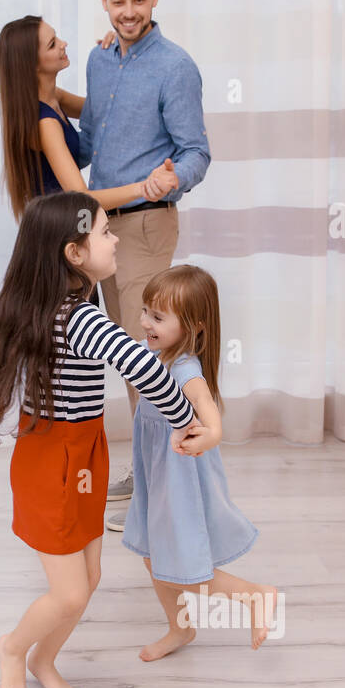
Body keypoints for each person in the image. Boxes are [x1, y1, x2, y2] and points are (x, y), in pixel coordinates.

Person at [0, 192, 212, 688]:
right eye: (106, 232)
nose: (115, 239)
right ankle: (14, 649)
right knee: (71, 593)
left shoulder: (65, 307)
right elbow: (145, 368)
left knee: (89, 578)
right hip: (56, 461)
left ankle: (44, 659)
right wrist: (185, 418)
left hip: (81, 452)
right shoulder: (79, 319)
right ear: (74, 254)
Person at [77, 0, 212, 528]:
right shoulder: (100, 57)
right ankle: (152, 469)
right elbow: (93, 140)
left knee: (142, 353)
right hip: (103, 226)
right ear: (104, 2)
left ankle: (161, 480)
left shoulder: (175, 67)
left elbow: (197, 151)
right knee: (126, 353)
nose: (128, 12)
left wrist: (172, 176)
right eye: (117, 1)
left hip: (147, 223)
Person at [124, 265, 277, 657]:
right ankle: (181, 629)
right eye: (145, 311)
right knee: (149, 554)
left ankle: (253, 596)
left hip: (177, 474)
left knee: (174, 559)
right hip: (153, 471)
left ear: (193, 325)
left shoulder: (186, 369)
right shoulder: (150, 353)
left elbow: (213, 424)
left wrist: (202, 440)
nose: (145, 322)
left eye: (157, 317)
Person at [0, 17, 155, 219]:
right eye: (53, 45)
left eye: (57, 37)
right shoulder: (46, 124)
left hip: (65, 221)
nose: (63, 44)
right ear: (32, 65)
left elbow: (108, 111)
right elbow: (83, 197)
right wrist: (145, 187)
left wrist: (116, 56)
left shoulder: (54, 97)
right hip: (58, 227)